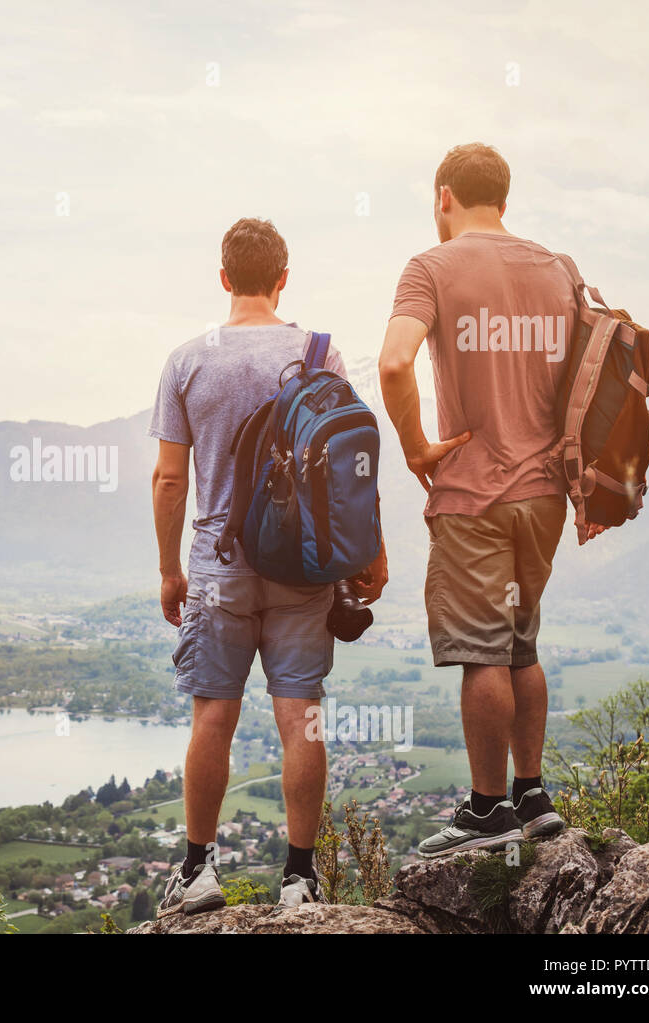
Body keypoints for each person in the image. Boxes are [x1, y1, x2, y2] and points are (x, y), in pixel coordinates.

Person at [150, 217, 388, 915]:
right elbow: (351, 471)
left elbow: (169, 481)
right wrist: (370, 552)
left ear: (223, 277)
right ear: (283, 277)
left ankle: (197, 871)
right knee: (301, 720)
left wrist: (170, 570)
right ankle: (299, 877)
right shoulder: (319, 354)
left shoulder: (188, 360)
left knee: (212, 719)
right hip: (303, 568)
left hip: (218, 566)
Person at [378, 143, 576, 857]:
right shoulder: (557, 270)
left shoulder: (431, 268)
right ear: (505, 196)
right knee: (522, 643)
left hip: (473, 489)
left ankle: (488, 808)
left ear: (443, 196)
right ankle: (535, 794)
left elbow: (396, 360)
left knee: (481, 652)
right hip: (546, 493)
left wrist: (414, 444)